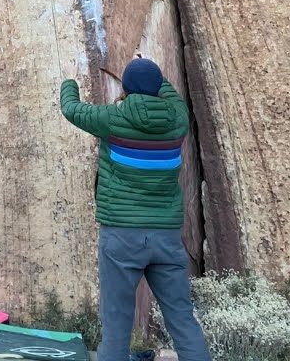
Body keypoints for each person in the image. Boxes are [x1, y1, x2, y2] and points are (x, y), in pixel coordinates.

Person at [59, 55, 211, 361]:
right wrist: (151, 72)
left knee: (117, 324)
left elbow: (71, 109)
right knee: (182, 319)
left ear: (127, 88)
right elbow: (167, 92)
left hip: (121, 236)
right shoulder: (178, 118)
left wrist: (69, 82)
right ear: (157, 88)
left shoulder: (112, 120)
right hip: (166, 238)